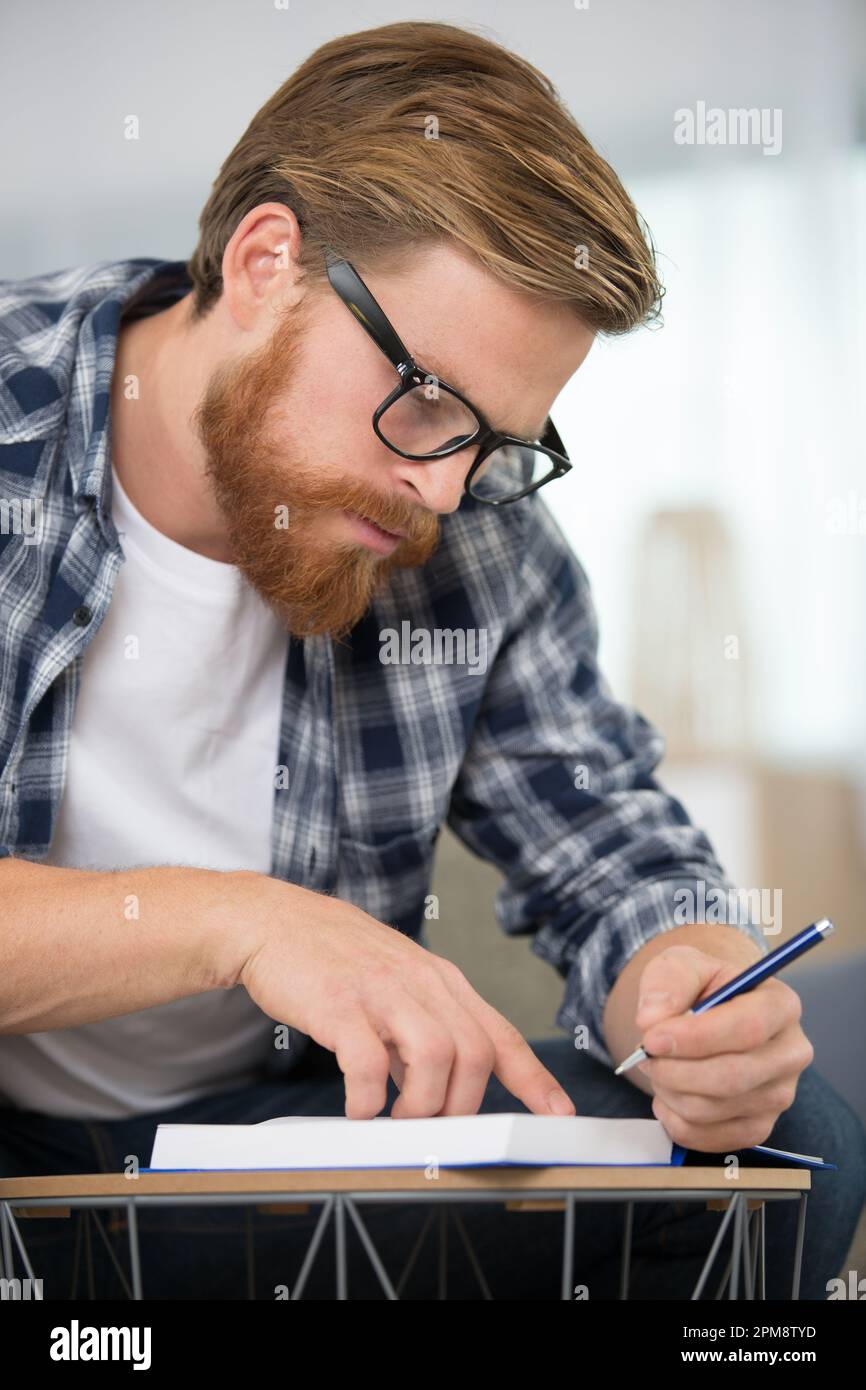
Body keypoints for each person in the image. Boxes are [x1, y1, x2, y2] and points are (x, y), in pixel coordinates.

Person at [0, 20, 863, 1301]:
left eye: (497, 442)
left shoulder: (469, 520)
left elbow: (607, 848)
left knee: (793, 1149)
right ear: (264, 260)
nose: (444, 492)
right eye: (426, 400)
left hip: (247, 1146)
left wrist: (674, 988)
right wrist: (242, 924)